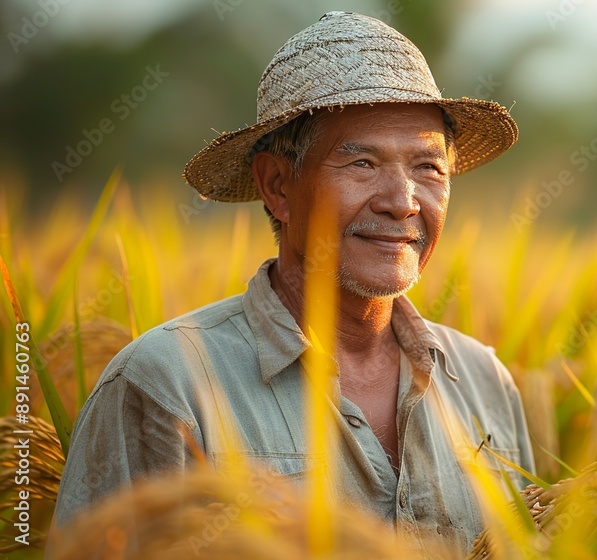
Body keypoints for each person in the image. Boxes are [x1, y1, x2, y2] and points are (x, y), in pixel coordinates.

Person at [52, 11, 534, 556]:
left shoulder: (483, 382)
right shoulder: (167, 386)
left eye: (429, 168)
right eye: (362, 163)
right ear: (277, 186)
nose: (403, 202)